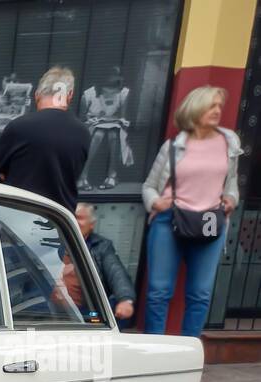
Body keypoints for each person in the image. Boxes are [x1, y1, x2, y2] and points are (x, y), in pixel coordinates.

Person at [141, 85, 241, 337]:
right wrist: (155, 202)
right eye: (211, 105)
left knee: (200, 294)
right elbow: (150, 186)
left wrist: (231, 198)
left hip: (210, 219)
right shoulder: (174, 146)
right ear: (195, 108)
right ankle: (155, 352)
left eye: (219, 105)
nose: (217, 110)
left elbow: (231, 184)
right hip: (170, 218)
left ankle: (189, 353)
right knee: (159, 292)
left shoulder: (229, 142)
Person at [0, 66, 89, 210]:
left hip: (17, 217)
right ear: (70, 95)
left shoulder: (19, 127)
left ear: (37, 94)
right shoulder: (83, 133)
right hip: (61, 221)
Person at [74, 202, 135, 322]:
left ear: (92, 225)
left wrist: (125, 300)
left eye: (79, 218)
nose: (74, 221)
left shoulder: (102, 246)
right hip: (49, 307)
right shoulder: (54, 242)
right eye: (72, 217)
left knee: (98, 319)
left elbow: (116, 272)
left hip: (86, 310)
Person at [79, 68, 132, 191]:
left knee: (114, 134)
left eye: (118, 75)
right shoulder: (89, 94)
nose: (117, 78)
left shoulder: (123, 93)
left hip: (114, 128)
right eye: (113, 75)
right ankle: (82, 176)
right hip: (92, 127)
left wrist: (112, 120)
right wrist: (95, 120)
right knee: (98, 134)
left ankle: (112, 176)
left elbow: (123, 118)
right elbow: (82, 118)